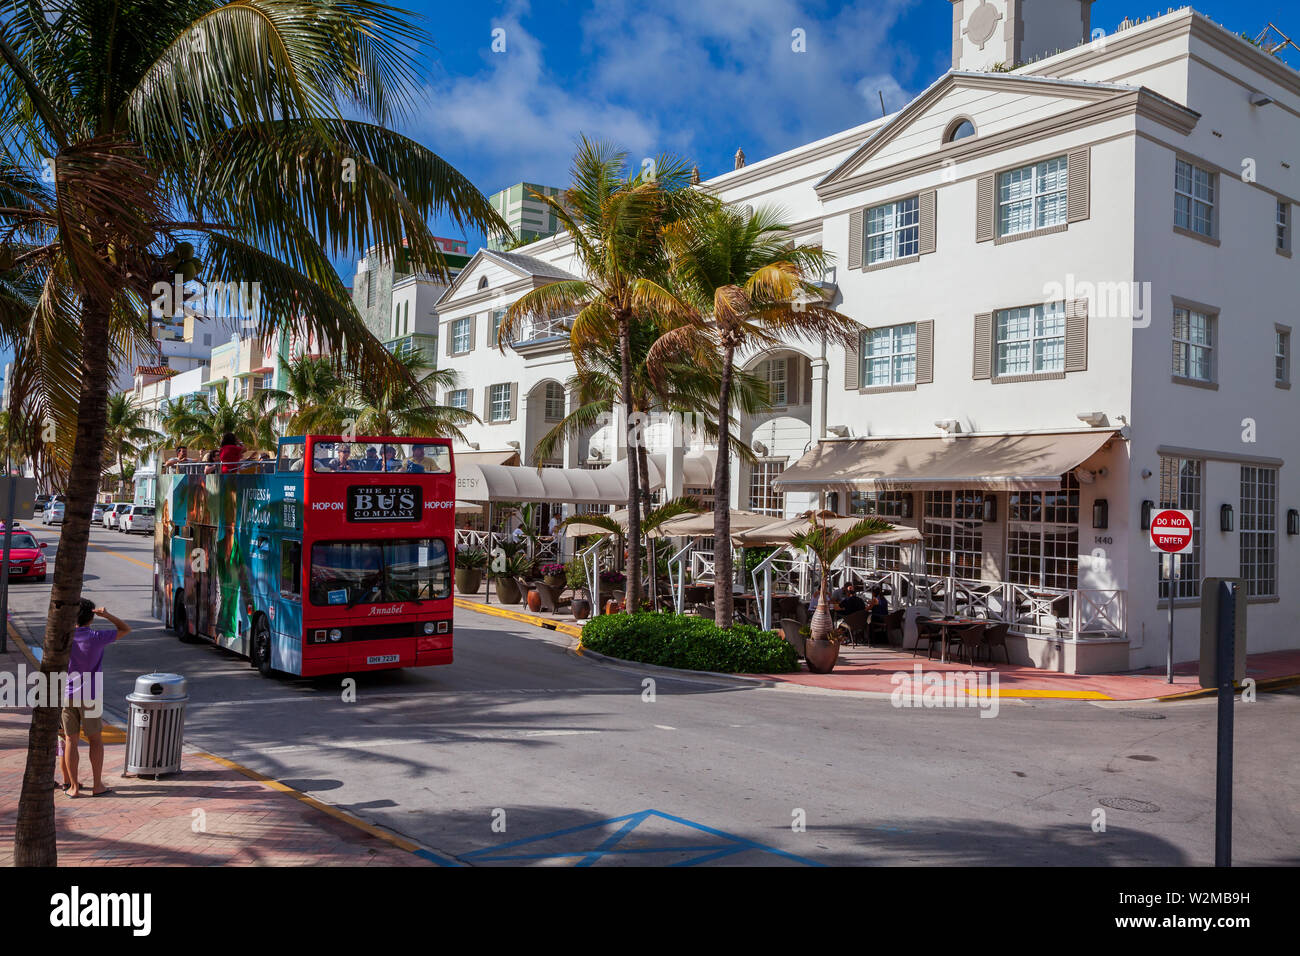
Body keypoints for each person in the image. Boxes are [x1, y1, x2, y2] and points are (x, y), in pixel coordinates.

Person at [62, 600, 131, 797]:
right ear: (91, 618)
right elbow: (125, 629)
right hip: (90, 696)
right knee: (95, 740)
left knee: (70, 741)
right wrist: (106, 615)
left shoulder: (64, 637)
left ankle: (74, 787)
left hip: (67, 695)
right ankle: (97, 785)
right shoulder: (97, 636)